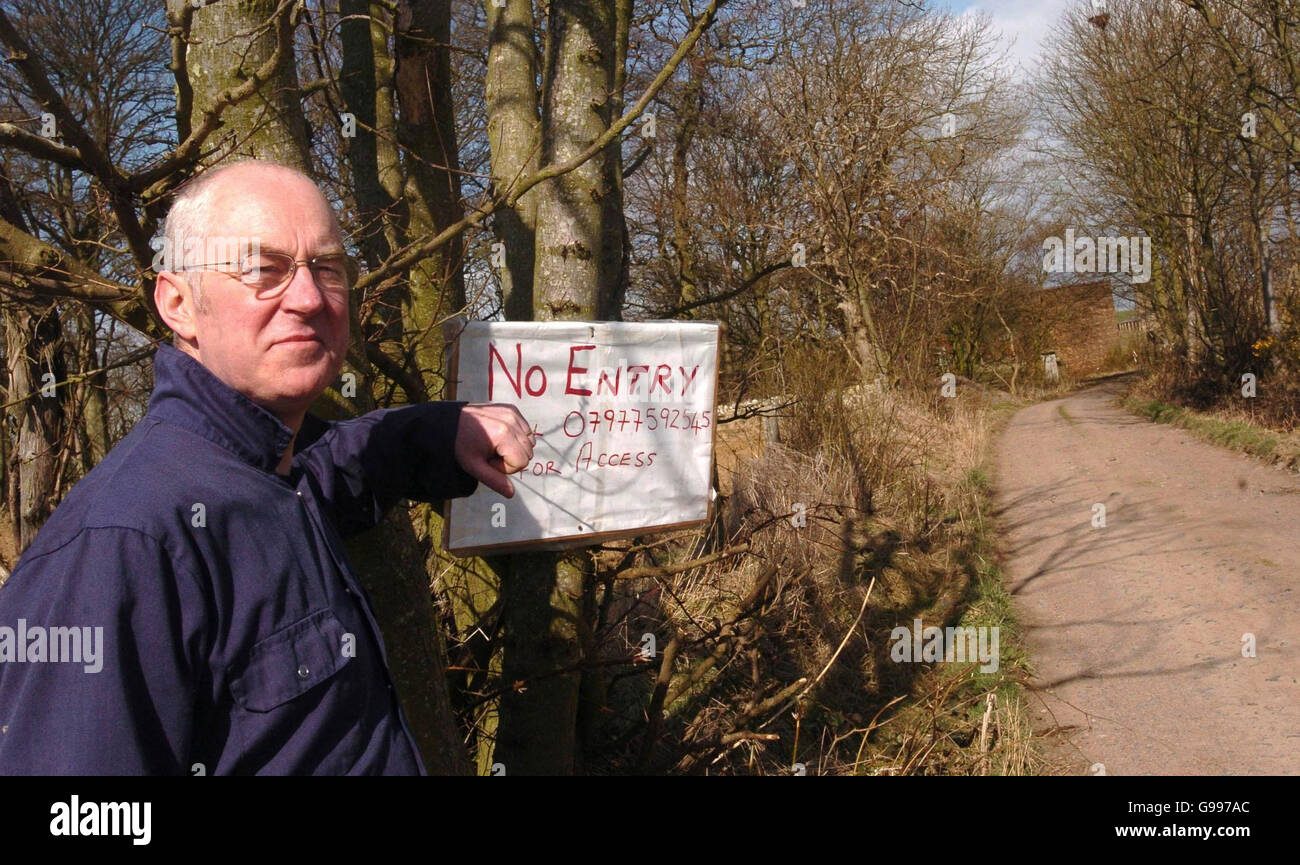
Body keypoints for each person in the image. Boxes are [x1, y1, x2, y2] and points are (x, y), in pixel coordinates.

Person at [0, 159, 534, 774]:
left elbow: (340, 461)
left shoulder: (275, 470)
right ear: (177, 302)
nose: (308, 298)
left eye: (327, 268)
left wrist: (443, 431)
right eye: (261, 269)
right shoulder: (124, 544)